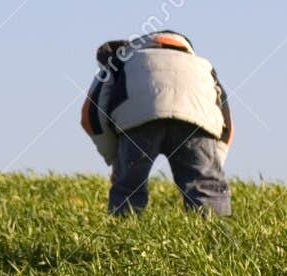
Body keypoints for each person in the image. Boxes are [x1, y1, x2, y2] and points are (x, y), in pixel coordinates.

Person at [81, 29, 233, 217]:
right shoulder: (203, 66)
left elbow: (91, 115)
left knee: (128, 191)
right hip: (196, 123)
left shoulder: (120, 61)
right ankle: (215, 241)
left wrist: (115, 159)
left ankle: (124, 241)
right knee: (207, 192)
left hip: (137, 122)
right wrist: (213, 161)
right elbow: (226, 122)